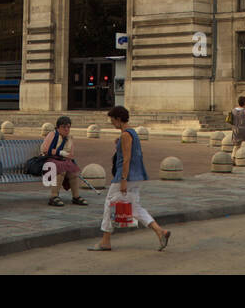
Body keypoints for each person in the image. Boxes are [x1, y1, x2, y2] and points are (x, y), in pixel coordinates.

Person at [89, 106, 170, 252]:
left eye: (113, 120)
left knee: (109, 204)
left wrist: (123, 180)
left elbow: (126, 159)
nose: (112, 123)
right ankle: (160, 232)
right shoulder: (131, 133)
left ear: (119, 119)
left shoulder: (126, 135)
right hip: (137, 176)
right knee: (134, 207)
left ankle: (105, 241)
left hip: (126, 176)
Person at [38, 116, 86, 206]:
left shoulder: (69, 138)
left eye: (68, 127)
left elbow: (71, 154)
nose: (66, 129)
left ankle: (76, 196)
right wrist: (59, 152)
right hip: (48, 160)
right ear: (58, 127)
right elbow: (45, 149)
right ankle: (54, 196)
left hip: (62, 160)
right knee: (61, 169)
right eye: (64, 127)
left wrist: (67, 156)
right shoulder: (52, 135)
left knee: (73, 171)